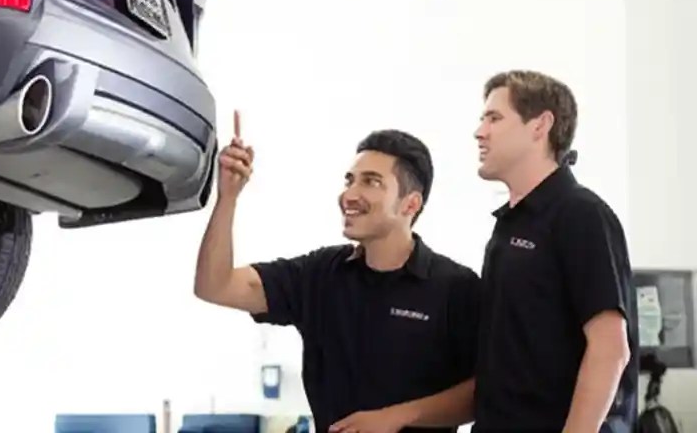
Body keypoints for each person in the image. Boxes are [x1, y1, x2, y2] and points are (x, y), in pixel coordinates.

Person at [193, 112, 481, 433]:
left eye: (371, 182)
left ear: (410, 204)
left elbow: (482, 392)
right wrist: (228, 198)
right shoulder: (319, 275)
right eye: (350, 180)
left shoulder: (457, 287)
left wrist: (396, 417)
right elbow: (214, 286)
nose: (349, 195)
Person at [472, 70, 638, 433]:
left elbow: (610, 348)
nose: (480, 131)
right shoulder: (510, 225)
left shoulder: (580, 214)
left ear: (540, 125)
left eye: (494, 118)